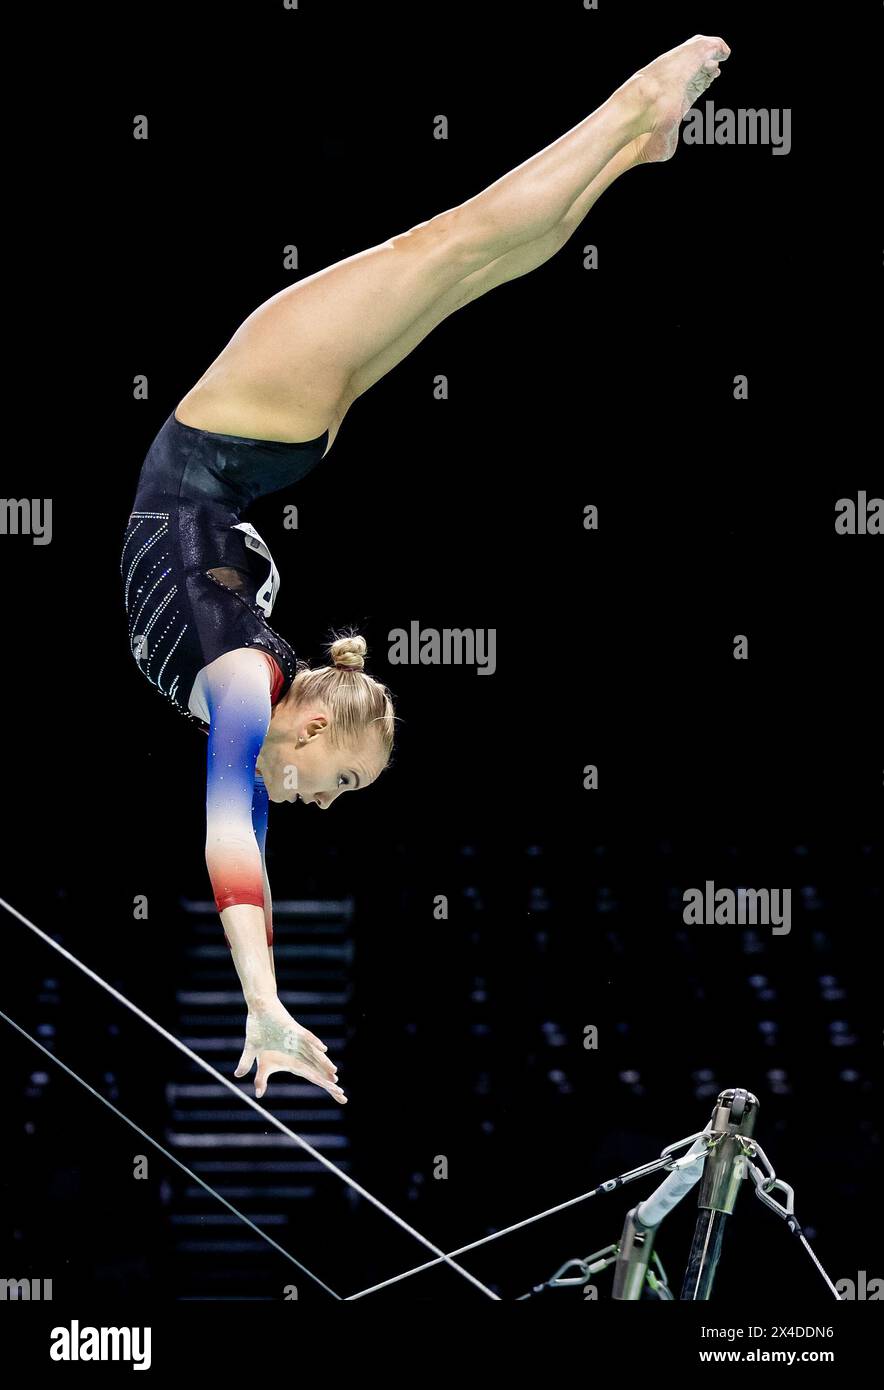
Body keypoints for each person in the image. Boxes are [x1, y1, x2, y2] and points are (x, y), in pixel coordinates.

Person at [121, 33, 731, 1104]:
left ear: (310, 728)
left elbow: (232, 844)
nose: (321, 803)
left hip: (236, 428)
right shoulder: (247, 692)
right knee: (462, 263)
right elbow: (243, 827)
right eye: (340, 787)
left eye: (335, 782)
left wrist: (263, 1004)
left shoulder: (237, 694)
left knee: (459, 249)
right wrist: (263, 1000)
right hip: (259, 432)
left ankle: (639, 107)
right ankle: (628, 144)